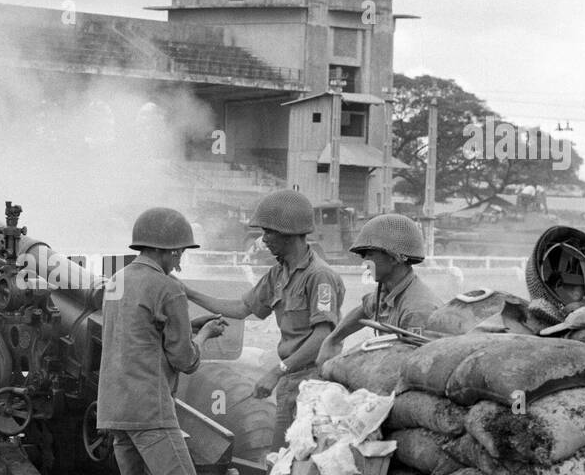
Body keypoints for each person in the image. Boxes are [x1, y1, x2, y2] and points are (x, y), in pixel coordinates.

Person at [97, 207, 232, 475]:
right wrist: (204, 334)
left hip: (114, 408)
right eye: (179, 252)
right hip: (151, 410)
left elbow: (141, 334)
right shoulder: (168, 288)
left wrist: (188, 324)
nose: (181, 259)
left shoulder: (118, 282)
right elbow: (185, 359)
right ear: (165, 248)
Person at [184, 190, 345, 445]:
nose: (263, 239)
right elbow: (241, 308)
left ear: (288, 232)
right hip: (290, 381)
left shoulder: (319, 276)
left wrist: (276, 372)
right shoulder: (278, 273)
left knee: (299, 458)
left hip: (313, 381)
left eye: (268, 232)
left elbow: (323, 336)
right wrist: (188, 292)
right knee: (279, 459)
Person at [316, 214, 441, 365]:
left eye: (370, 254)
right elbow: (363, 310)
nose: (365, 262)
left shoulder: (417, 310)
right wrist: (333, 339)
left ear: (394, 258)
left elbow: (411, 365)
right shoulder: (386, 290)